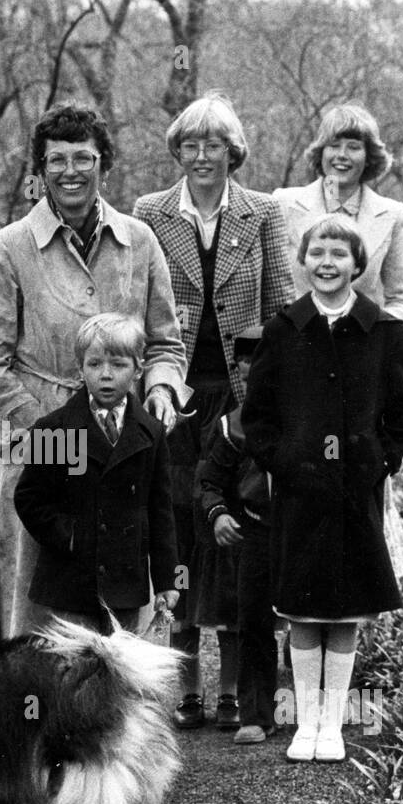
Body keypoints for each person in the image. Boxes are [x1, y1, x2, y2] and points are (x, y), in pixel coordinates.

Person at [0, 101, 188, 641]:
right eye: (56, 160)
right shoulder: (11, 247)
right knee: (37, 620)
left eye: (83, 158)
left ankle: (109, 724)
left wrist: (160, 390)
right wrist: (54, 434)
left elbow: (166, 344)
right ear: (39, 173)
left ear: (103, 166)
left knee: (115, 627)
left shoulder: (140, 242)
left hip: (122, 456)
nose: (70, 170)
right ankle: (32, 719)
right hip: (39, 455)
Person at [132, 92, 294, 730]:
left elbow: (281, 304)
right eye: (190, 146)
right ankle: (182, 689)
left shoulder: (262, 213)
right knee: (176, 527)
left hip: (237, 395)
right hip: (171, 393)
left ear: (234, 153)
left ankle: (232, 689)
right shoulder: (149, 213)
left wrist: (274, 394)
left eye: (214, 146)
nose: (202, 156)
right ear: (177, 152)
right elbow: (140, 300)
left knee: (233, 530)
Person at [241, 214, 403, 763]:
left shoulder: (383, 330)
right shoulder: (282, 329)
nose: (327, 263)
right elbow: (258, 415)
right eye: (317, 252)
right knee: (301, 608)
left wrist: (378, 458)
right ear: (304, 261)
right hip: (300, 492)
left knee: (344, 609)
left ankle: (333, 726)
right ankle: (305, 724)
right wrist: (285, 462)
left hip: (355, 491)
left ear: (357, 265)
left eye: (339, 255)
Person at [13, 313, 179, 635]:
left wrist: (171, 579)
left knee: (120, 673)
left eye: (117, 365)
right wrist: (70, 535)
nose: (105, 375)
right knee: (74, 673)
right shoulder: (54, 429)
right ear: (80, 368)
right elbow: (29, 498)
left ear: (138, 369)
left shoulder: (151, 432)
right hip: (70, 585)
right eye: (94, 364)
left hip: (126, 587)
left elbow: (162, 513)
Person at [194, 333, 278, 745]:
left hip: (299, 530)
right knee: (253, 623)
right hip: (255, 529)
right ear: (239, 372)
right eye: (247, 363)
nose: (256, 371)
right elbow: (209, 481)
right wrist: (219, 513)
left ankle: (318, 713)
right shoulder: (232, 426)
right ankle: (257, 714)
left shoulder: (305, 420)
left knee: (311, 621)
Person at [273, 104, 403, 327]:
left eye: (353, 147)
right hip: (296, 346)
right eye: (334, 145)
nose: (342, 155)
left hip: (362, 351)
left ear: (369, 156)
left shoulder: (391, 215)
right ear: (321, 152)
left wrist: (375, 332)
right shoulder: (284, 205)